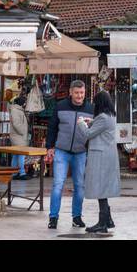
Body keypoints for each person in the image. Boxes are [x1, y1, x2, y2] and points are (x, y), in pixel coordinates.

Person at [45, 79, 93, 230]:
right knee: (58, 184)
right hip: (61, 150)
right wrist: (50, 147)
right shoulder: (60, 106)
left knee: (79, 185)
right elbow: (52, 127)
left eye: (82, 93)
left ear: (85, 93)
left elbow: (94, 131)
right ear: (71, 92)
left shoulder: (91, 109)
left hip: (80, 152)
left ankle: (76, 217)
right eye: (77, 93)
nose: (79, 96)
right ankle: (53, 217)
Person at [75, 90, 120, 235]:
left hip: (101, 157)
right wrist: (91, 121)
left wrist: (81, 123)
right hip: (107, 155)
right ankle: (107, 220)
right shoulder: (110, 116)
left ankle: (102, 223)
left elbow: (88, 134)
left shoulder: (102, 117)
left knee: (100, 188)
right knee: (103, 188)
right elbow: (101, 124)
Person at [5, 90, 32, 180]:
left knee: (16, 155)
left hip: (17, 136)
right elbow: (17, 124)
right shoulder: (16, 111)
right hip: (18, 136)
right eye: (24, 103)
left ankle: (14, 173)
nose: (25, 105)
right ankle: (21, 173)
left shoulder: (16, 110)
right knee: (21, 155)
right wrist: (23, 131)